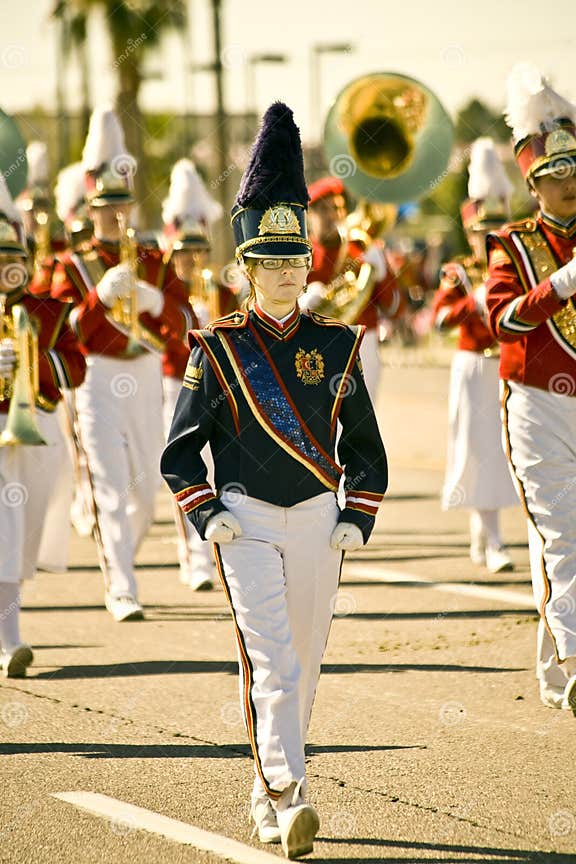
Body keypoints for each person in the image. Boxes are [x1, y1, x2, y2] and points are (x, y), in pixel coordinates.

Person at [161, 103, 387, 859]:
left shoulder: (339, 343)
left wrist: (357, 511)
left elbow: (365, 445)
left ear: (306, 266)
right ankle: (292, 792)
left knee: (305, 663)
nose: (285, 274)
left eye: (295, 263)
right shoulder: (216, 347)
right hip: (246, 521)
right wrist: (206, 514)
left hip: (321, 521)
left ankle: (264, 793)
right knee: (274, 661)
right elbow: (180, 451)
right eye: (270, 263)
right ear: (247, 268)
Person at [42, 105, 190, 622]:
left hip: (146, 371)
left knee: (148, 487)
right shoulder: (72, 264)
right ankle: (121, 585)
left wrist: (157, 303)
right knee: (108, 482)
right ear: (90, 209)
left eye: (123, 204)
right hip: (97, 379)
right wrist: (98, 299)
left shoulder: (153, 258)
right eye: (106, 207)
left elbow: (187, 320)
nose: (116, 215)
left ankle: (123, 554)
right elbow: (65, 332)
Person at [485, 64, 576, 713]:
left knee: (561, 540)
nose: (568, 185)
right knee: (562, 533)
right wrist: (563, 284)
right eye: (555, 176)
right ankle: (575, 661)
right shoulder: (512, 243)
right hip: (537, 400)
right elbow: (502, 319)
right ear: (534, 184)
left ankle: (556, 667)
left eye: (575, 173)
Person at [0, 174, 86, 676]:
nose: (6, 268)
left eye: (13, 259)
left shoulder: (47, 310)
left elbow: (76, 367)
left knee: (22, 532)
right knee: (6, 529)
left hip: (34, 434)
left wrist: (33, 362)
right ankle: (11, 640)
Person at [432, 138, 518, 573]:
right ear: (468, 231)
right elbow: (440, 321)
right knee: (475, 449)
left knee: (504, 449)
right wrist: (475, 301)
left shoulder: (516, 267)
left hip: (506, 365)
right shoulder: (457, 271)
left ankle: (490, 535)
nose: (491, 236)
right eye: (483, 229)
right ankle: (491, 537)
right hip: (471, 365)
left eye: (498, 227)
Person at [161, 158, 227, 590]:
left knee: (213, 466)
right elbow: (163, 339)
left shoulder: (218, 287)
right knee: (185, 463)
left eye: (199, 251)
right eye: (185, 253)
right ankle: (194, 560)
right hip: (173, 384)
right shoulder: (165, 291)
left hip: (216, 388)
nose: (193, 259)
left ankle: (211, 550)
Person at [303, 177, 402, 400]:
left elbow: (394, 308)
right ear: (310, 214)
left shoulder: (362, 248)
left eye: (337, 208)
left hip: (362, 345)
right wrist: (300, 302)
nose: (332, 216)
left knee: (362, 424)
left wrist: (383, 272)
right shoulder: (302, 253)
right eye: (324, 210)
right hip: (317, 345)